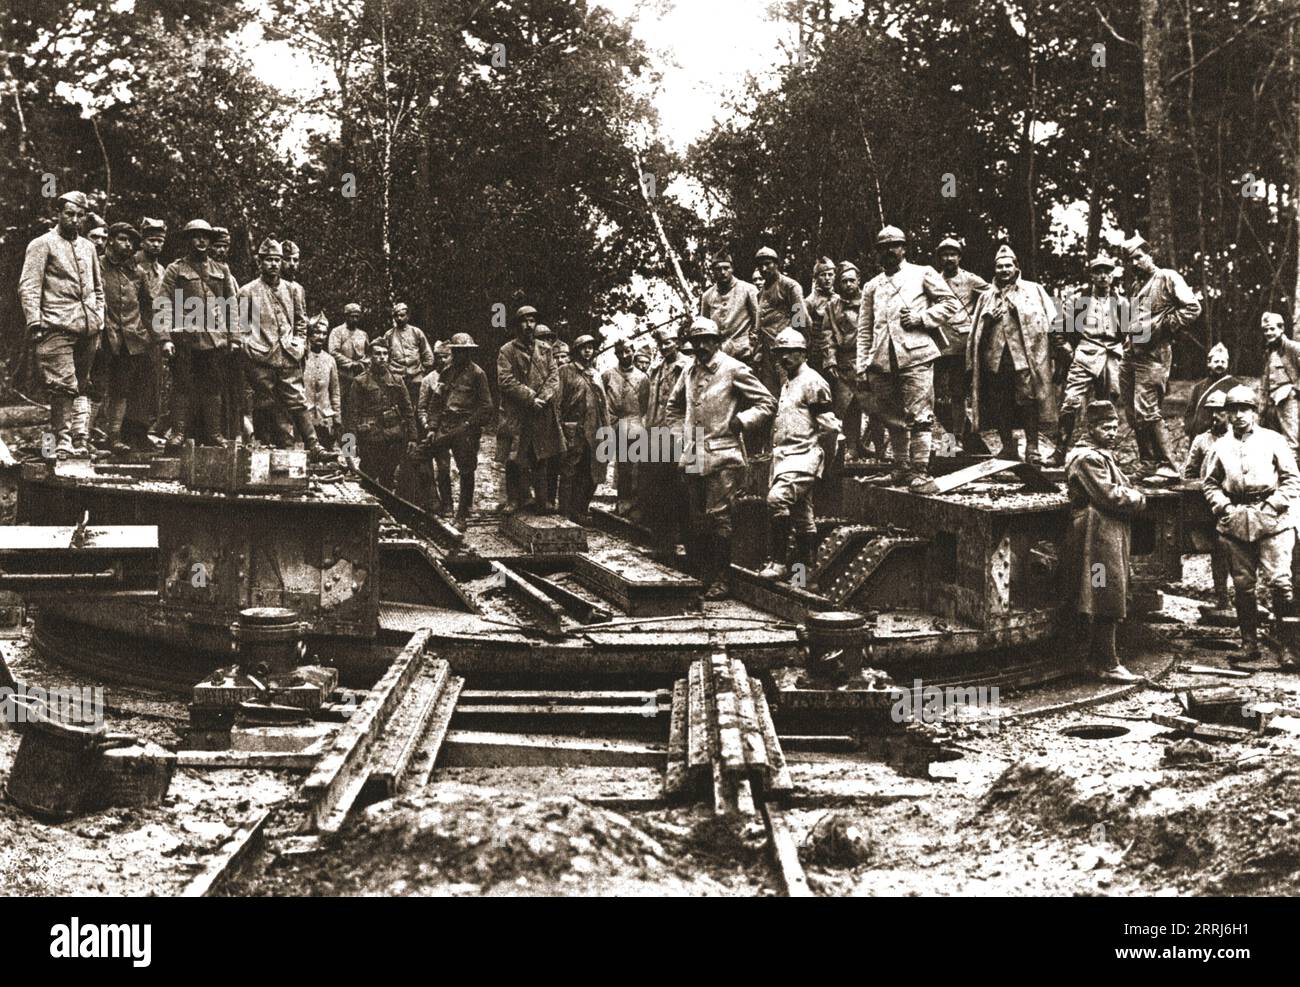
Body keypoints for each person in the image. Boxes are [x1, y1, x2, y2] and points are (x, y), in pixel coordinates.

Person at [665, 316, 776, 599]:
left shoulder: (734, 369)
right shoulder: (689, 371)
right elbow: (674, 407)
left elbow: (767, 403)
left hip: (723, 455)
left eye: (706, 340)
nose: (700, 346)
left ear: (717, 341)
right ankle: (702, 573)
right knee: (695, 517)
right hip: (693, 455)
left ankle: (722, 579)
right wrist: (680, 438)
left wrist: (743, 420)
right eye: (695, 341)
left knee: (720, 518)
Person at [1202, 385, 1300, 668]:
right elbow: (1210, 483)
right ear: (1227, 414)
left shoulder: (1273, 440)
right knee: (1244, 587)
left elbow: (1292, 479)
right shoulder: (1220, 446)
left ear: (1254, 412)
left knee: (1281, 584)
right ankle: (1249, 644)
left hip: (1272, 521)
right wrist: (1224, 507)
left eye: (1244, 409)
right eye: (1232, 410)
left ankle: (1289, 647)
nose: (1238, 415)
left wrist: (1273, 505)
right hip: (1236, 521)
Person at [855, 225, 960, 488]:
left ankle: (920, 470)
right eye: (883, 247)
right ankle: (900, 466)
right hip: (881, 360)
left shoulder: (922, 273)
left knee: (920, 415)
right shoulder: (871, 286)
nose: (889, 251)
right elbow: (865, 329)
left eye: (894, 245)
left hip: (916, 357)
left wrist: (922, 319)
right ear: (878, 252)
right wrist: (862, 365)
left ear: (903, 248)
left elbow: (950, 304)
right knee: (891, 416)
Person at [1064, 400, 1147, 682]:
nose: (1111, 432)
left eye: (1114, 427)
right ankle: (1108, 663)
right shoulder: (1088, 458)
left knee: (1104, 593)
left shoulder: (1099, 455)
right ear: (1090, 428)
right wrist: (1137, 498)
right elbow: (1109, 495)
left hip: (1105, 533)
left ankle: (1095, 659)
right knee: (1104, 592)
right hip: (1098, 537)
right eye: (1104, 427)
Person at [18, 190, 104, 458]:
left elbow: (98, 289)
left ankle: (80, 440)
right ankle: (62, 440)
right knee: (62, 385)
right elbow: (28, 285)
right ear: (59, 213)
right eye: (69, 214)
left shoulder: (88, 247)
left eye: (80, 215)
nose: (74, 219)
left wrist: (98, 316)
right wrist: (35, 321)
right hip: (55, 325)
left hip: (87, 328)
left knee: (81, 383)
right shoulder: (42, 244)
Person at [1118, 234, 1202, 479]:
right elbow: (1134, 322)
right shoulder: (1136, 286)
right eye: (1130, 260)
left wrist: (1166, 326)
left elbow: (1193, 307)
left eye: (1138, 257)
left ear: (1149, 255)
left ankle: (1169, 466)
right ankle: (1148, 463)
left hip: (1153, 355)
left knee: (1147, 410)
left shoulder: (1167, 277)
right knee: (1133, 414)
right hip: (1131, 354)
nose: (1134, 263)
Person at [759, 329, 841, 582]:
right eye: (780, 354)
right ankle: (807, 571)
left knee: (777, 500)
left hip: (804, 455)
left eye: (789, 353)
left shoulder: (812, 381)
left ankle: (779, 562)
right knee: (802, 515)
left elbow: (829, 426)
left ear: (802, 354)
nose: (784, 358)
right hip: (786, 456)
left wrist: (824, 461)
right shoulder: (788, 382)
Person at [968, 244, 1057, 464]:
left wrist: (1021, 312)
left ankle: (1032, 447)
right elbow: (976, 331)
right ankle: (1008, 447)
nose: (1004, 270)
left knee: (1028, 401)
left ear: (1016, 267)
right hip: (996, 359)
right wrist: (989, 319)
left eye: (1008, 265)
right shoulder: (986, 297)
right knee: (1001, 403)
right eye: (1000, 266)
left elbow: (1052, 319)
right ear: (995, 269)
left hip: (1024, 358)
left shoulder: (1034, 289)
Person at [237, 238, 325, 457]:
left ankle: (313, 445)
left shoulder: (294, 290)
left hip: (288, 355)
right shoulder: (248, 291)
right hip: (261, 357)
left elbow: (301, 321)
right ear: (260, 263)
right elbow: (240, 325)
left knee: (297, 400)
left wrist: (299, 344)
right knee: (264, 400)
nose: (274, 265)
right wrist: (250, 346)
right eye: (268, 260)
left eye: (277, 260)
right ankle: (264, 444)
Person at [156, 218, 234, 449]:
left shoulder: (221, 270)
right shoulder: (175, 269)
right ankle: (178, 433)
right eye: (196, 236)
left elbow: (231, 305)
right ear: (188, 240)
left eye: (205, 237)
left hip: (213, 339)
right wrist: (165, 339)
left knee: (213, 387)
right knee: (182, 386)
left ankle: (214, 434)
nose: (201, 241)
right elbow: (163, 303)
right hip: (184, 339)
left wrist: (235, 337)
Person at [1051, 255, 1124, 465]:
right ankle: (1060, 451)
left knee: (1108, 404)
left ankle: (1106, 452)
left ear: (1112, 275)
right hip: (1085, 352)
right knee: (1071, 401)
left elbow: (1133, 335)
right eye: (1098, 272)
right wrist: (1069, 352)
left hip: (1111, 354)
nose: (1103, 276)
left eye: (1107, 272)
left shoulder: (1121, 302)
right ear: (1091, 275)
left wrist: (1124, 354)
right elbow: (1057, 331)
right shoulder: (1077, 300)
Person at [496, 305, 563, 514]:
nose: (529, 325)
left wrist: (542, 399)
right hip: (518, 412)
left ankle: (542, 501)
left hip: (541, 412)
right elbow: (505, 380)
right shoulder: (507, 350)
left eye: (532, 321)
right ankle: (514, 499)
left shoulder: (545, 349)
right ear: (517, 325)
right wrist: (530, 397)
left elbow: (554, 377)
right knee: (515, 457)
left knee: (541, 455)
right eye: (524, 321)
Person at [421, 332, 494, 523]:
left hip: (466, 427)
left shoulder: (478, 374)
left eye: (466, 351)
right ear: (453, 351)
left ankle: (463, 513)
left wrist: (470, 425)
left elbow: (486, 407)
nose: (463, 355)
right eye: (459, 351)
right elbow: (436, 402)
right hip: (445, 425)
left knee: (466, 470)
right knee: (427, 459)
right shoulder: (447, 371)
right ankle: (443, 504)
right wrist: (432, 427)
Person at [99, 222, 158, 456]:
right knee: (98, 387)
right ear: (110, 240)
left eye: (131, 241)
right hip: (105, 336)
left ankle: (118, 436)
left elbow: (149, 306)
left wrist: (157, 337)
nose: (128, 244)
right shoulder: (97, 266)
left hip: (133, 340)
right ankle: (91, 436)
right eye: (123, 239)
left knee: (126, 389)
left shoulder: (137, 272)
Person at [933, 237, 989, 452]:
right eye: (945, 255)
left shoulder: (971, 280)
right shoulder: (934, 280)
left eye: (953, 254)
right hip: (938, 344)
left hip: (961, 345)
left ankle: (958, 441)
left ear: (959, 257)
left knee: (957, 394)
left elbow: (991, 295)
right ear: (940, 258)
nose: (949, 258)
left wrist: (976, 318)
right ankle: (948, 443)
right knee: (937, 396)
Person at [1182, 390, 1232, 612]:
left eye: (1220, 413)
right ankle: (1222, 597)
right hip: (1207, 505)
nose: (1215, 417)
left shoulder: (1238, 439)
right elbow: (1190, 472)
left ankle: (1242, 599)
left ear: (1229, 414)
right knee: (1218, 551)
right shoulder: (1201, 441)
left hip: (1234, 504)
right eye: (1211, 412)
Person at [643, 324, 692, 549]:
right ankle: (660, 539)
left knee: (681, 486)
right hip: (656, 432)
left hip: (681, 433)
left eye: (669, 342)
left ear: (678, 343)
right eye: (661, 344)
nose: (664, 347)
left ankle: (681, 538)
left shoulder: (688, 367)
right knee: (656, 486)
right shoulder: (656, 369)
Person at [345, 337, 418, 487]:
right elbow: (351, 415)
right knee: (367, 478)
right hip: (370, 438)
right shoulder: (360, 382)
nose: (382, 358)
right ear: (370, 357)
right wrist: (349, 448)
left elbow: (408, 410)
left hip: (393, 437)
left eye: (385, 354)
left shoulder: (397, 380)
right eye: (377, 354)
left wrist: (413, 437)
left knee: (388, 478)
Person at [822, 260, 877, 458]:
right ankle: (852, 447)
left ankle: (880, 449)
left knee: (874, 407)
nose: (848, 285)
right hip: (842, 364)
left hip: (866, 361)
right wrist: (830, 359)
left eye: (851, 281)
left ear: (859, 280)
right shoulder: (828, 305)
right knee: (846, 408)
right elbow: (825, 334)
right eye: (843, 281)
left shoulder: (870, 300)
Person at [557, 334, 609, 524]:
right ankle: (564, 514)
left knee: (590, 472)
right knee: (570, 471)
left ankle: (580, 510)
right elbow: (558, 402)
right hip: (573, 429)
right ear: (576, 350)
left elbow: (603, 405)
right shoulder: (565, 371)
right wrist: (561, 428)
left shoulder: (595, 374)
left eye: (591, 347)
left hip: (594, 430)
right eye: (584, 347)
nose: (588, 350)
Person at [754, 246, 813, 401]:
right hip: (767, 351)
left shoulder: (789, 286)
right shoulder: (761, 292)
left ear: (776, 264)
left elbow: (800, 320)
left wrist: (799, 351)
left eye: (767, 264)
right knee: (770, 396)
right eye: (760, 265)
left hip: (786, 351)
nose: (763, 268)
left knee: (791, 393)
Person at [602, 338, 650, 520]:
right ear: (616, 354)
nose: (624, 356)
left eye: (627, 351)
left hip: (633, 424)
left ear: (633, 351)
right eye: (620, 352)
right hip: (611, 423)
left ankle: (628, 503)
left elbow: (644, 405)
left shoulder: (642, 377)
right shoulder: (608, 375)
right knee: (604, 462)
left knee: (629, 465)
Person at [135, 217, 168, 443]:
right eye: (152, 240)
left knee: (151, 384)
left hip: (155, 334)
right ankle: (125, 432)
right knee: (131, 384)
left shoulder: (161, 269)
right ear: (143, 241)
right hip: (134, 331)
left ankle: (142, 430)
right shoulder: (133, 264)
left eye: (160, 241)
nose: (156, 245)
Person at [698, 250, 759, 364]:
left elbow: (758, 319)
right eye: (718, 269)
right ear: (713, 271)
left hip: (745, 353)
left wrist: (752, 344)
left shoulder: (748, 290)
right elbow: (704, 326)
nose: (723, 272)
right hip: (719, 355)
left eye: (726, 268)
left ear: (732, 269)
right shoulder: (707, 296)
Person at [1260, 312, 1300, 460]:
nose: (1268, 333)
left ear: (1281, 329)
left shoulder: (1293, 348)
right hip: (1271, 401)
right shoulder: (1269, 351)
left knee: (1291, 442)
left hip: (1289, 400)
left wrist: (1295, 391)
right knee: (1272, 440)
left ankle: (1294, 480)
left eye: (1272, 329)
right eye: (1265, 330)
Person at [384, 301, 435, 407]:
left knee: (417, 405)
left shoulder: (416, 332)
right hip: (396, 378)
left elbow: (427, 354)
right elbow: (383, 356)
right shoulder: (389, 335)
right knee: (398, 407)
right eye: (396, 316)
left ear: (408, 316)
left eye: (402, 315)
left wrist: (424, 371)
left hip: (416, 378)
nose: (399, 318)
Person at [1182, 342, 1234, 442]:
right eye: (1216, 361)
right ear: (1209, 363)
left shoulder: (1234, 385)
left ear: (1227, 364)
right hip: (1197, 436)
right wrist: (1189, 427)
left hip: (1221, 436)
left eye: (1223, 362)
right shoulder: (1199, 387)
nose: (1220, 364)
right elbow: (1190, 410)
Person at [304, 318, 341, 450]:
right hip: (304, 418)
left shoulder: (330, 360)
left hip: (324, 419)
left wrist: (337, 418)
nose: (321, 337)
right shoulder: (301, 358)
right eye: (317, 333)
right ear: (309, 334)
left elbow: (335, 392)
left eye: (324, 334)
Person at [329, 302, 369, 420]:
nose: (355, 319)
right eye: (352, 316)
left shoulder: (363, 334)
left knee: (358, 406)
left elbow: (369, 353)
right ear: (346, 316)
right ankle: (341, 434)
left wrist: (363, 363)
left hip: (360, 376)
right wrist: (351, 364)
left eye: (357, 316)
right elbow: (333, 352)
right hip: (342, 376)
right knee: (340, 405)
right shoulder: (337, 332)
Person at [805, 257, 837, 374]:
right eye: (823, 275)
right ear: (816, 278)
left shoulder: (838, 299)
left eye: (830, 275)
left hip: (837, 352)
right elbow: (796, 326)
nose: (827, 278)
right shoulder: (807, 302)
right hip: (816, 354)